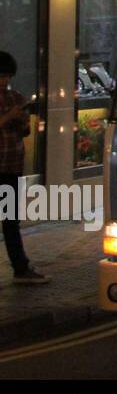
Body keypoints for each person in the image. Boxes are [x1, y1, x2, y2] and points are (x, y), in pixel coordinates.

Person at [0, 52, 47, 284]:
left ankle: (21, 268)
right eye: (1, 76)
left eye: (7, 76)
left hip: (11, 166)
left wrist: (23, 122)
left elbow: (24, 132)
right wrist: (9, 116)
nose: (4, 81)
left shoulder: (16, 97)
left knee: (10, 221)